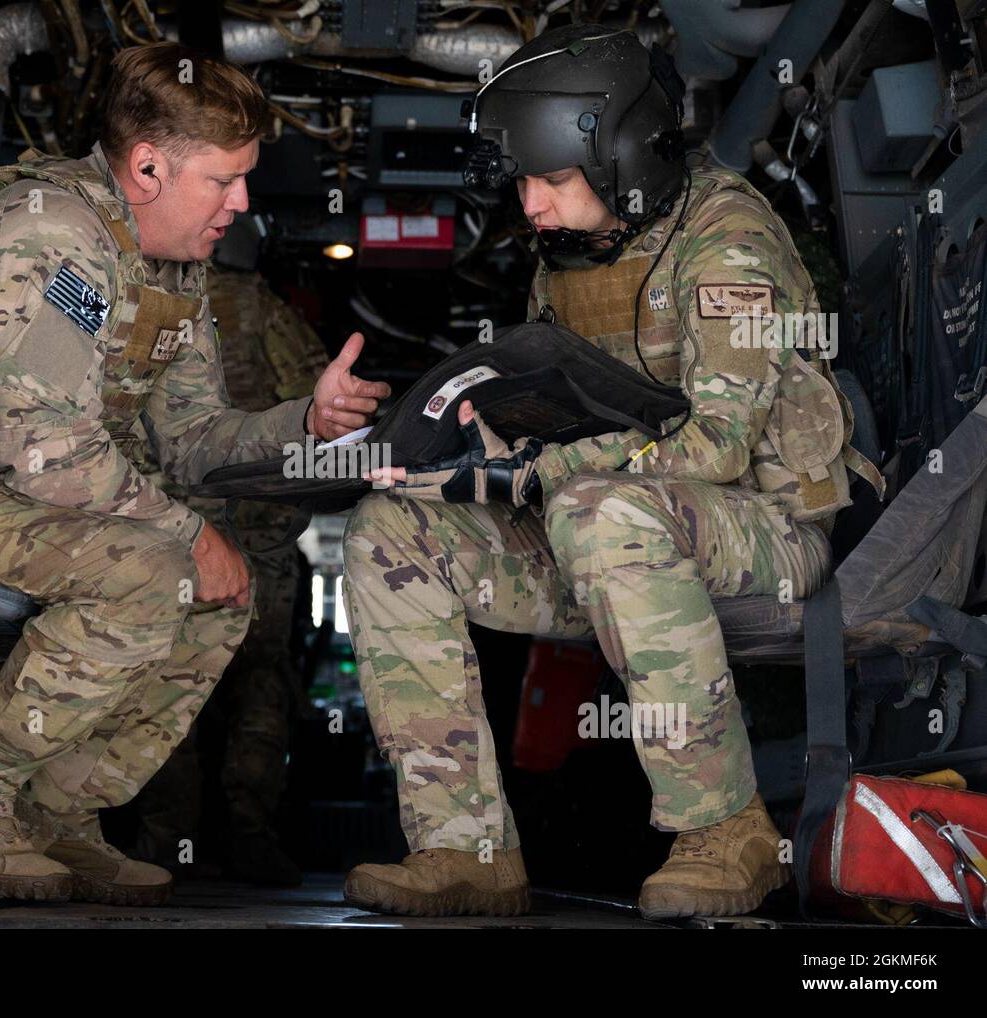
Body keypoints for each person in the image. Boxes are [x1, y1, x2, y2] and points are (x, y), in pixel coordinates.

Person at [0, 42, 389, 905]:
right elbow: (45, 452)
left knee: (225, 591)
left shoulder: (169, 265)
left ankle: (51, 813)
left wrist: (301, 419)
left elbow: (190, 439)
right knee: (154, 570)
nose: (243, 202)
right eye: (224, 180)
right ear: (147, 167)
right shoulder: (52, 238)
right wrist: (188, 535)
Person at [340, 24, 880, 919]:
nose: (534, 207)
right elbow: (559, 414)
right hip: (606, 526)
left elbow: (719, 446)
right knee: (386, 532)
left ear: (625, 158)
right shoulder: (570, 259)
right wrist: (479, 462)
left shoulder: (725, 238)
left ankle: (729, 828)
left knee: (604, 512)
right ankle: (465, 846)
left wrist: (548, 474)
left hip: (769, 528)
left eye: (553, 180)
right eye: (523, 182)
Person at [130, 231, 329, 887]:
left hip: (172, 525)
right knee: (259, 676)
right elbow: (319, 405)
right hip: (255, 520)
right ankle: (249, 831)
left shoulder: (144, 303)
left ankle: (165, 841)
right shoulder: (264, 309)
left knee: (165, 674)